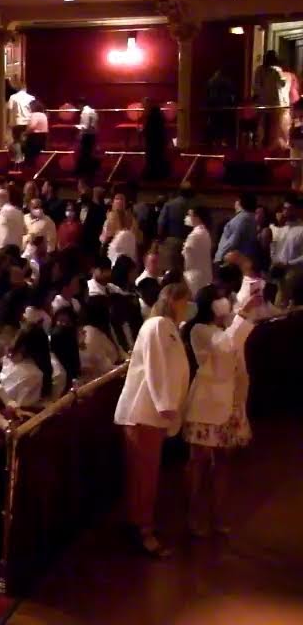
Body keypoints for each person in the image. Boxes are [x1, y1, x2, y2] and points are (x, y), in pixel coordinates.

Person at [115, 282, 193, 557]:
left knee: (148, 474)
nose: (188, 306)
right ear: (174, 300)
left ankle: (142, 524)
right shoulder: (158, 325)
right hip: (144, 412)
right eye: (186, 300)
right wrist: (165, 405)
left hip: (154, 414)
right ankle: (142, 531)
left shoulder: (170, 328)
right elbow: (156, 366)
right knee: (143, 475)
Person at [182, 285, 256, 537]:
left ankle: (217, 515)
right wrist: (243, 316)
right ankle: (192, 515)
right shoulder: (199, 330)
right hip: (206, 402)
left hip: (230, 402)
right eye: (218, 298)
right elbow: (224, 346)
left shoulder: (228, 329)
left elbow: (239, 361)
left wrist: (241, 402)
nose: (223, 302)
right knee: (199, 461)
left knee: (224, 461)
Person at [215, 193, 260, 265]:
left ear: (240, 202)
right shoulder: (252, 219)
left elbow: (232, 241)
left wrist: (219, 257)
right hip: (244, 259)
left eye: (236, 200)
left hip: (231, 261)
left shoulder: (240, 220)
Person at [183, 206, 214, 293]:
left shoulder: (195, 235)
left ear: (197, 217)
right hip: (204, 272)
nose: (187, 217)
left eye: (190, 215)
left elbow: (187, 256)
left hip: (194, 275)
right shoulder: (205, 232)